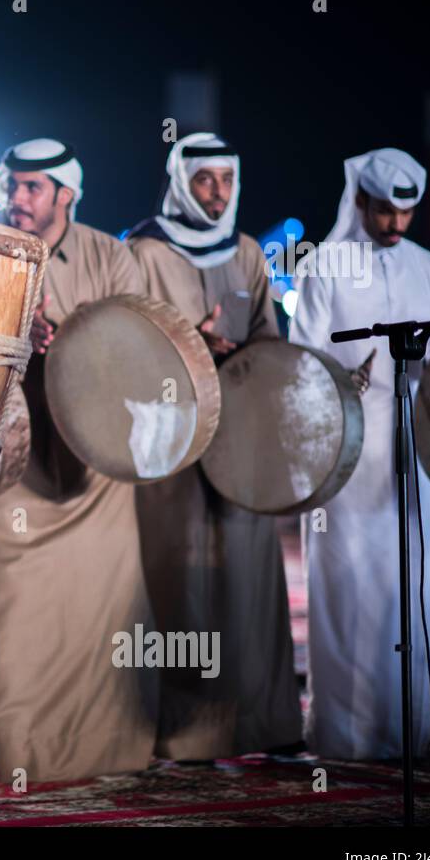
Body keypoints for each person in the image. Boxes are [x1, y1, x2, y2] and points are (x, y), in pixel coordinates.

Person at [0, 138, 158, 781]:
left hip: (93, 464)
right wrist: (21, 338)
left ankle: (111, 749)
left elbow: (136, 339)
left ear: (65, 195)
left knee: (103, 608)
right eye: (12, 185)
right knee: (11, 605)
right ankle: (22, 752)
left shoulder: (110, 253)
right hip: (10, 459)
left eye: (32, 188)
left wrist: (68, 338)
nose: (15, 199)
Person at [128, 132, 303, 759]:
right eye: (205, 180)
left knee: (248, 576)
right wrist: (189, 345)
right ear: (182, 182)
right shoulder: (144, 250)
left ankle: (260, 722)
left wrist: (245, 352)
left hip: (239, 438)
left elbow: (266, 337)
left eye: (227, 180)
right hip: (169, 439)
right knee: (180, 581)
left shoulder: (249, 253)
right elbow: (124, 345)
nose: (217, 193)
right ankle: (183, 730)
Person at [289, 147, 430, 759]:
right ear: (359, 200)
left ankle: (420, 728)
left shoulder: (427, 268)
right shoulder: (325, 264)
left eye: (405, 214)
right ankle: (351, 735)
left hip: (417, 444)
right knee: (350, 581)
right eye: (385, 211)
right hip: (346, 444)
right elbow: (302, 355)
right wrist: (341, 381)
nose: (395, 225)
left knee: (415, 581)